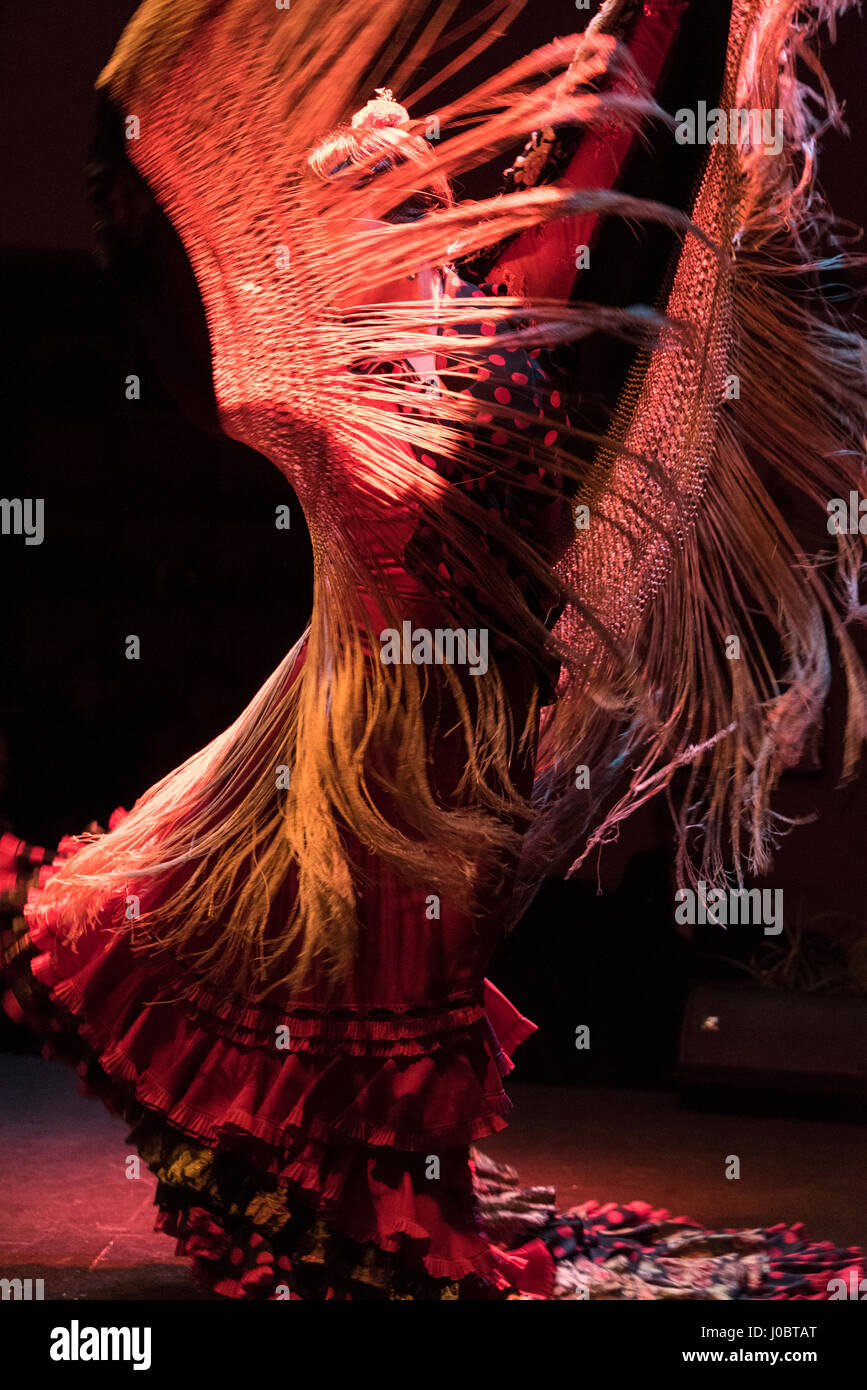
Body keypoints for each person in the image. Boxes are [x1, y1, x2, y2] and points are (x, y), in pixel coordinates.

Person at [2, 0, 865, 1299]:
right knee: (350, 964)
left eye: (396, 178)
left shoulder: (473, 331)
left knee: (378, 966)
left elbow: (596, 147)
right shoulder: (359, 393)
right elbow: (588, 156)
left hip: (446, 743)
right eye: (383, 181)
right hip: (399, 753)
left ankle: (359, 1206)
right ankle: (351, 1207)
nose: (406, 181)